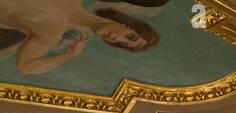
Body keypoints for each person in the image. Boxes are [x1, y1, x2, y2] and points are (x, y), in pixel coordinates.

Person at [0, 0, 162, 74]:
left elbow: (26, 66)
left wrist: (70, 54)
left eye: (123, 44)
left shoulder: (51, 33)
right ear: (126, 24)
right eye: (130, 37)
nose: (118, 40)